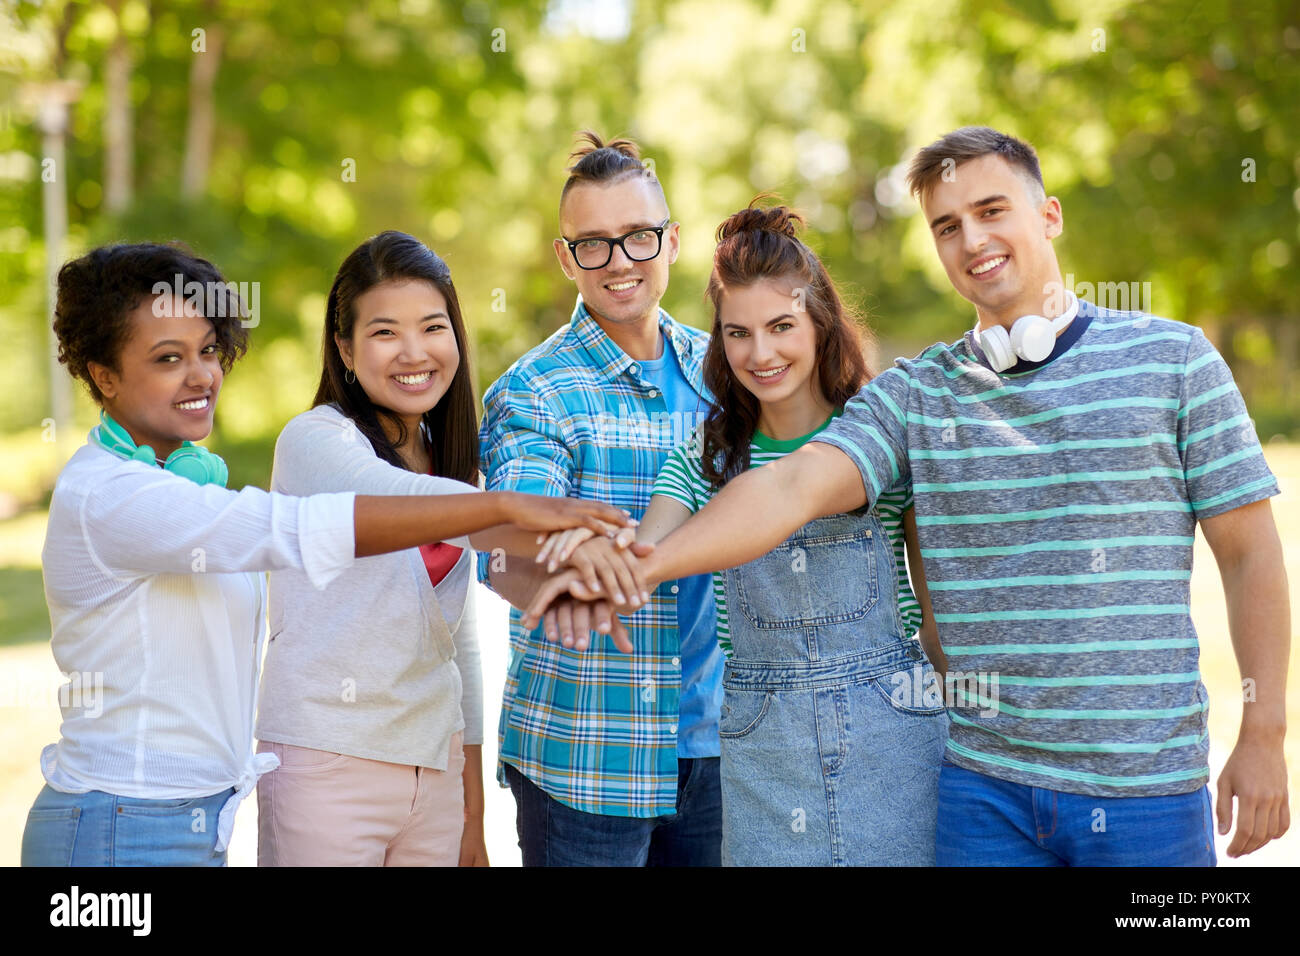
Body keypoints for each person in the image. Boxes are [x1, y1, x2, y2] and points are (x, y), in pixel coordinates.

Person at [526, 127, 1291, 866]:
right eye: (947, 226)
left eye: (993, 212)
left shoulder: (1175, 359)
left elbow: (1252, 553)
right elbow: (789, 484)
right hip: (982, 790)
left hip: (1144, 787)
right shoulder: (917, 396)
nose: (973, 241)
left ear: (1048, 214)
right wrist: (635, 568)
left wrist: (1262, 735)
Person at [20, 241, 634, 867]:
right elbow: (296, 524)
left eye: (208, 351)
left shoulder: (188, 480)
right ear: (103, 375)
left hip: (195, 817)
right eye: (168, 358)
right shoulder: (113, 495)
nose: (202, 374)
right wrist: (506, 507)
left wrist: (564, 580)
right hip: (120, 821)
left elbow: (460, 635)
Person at [540, 201, 948, 865]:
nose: (760, 354)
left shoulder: (879, 433)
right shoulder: (704, 458)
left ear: (819, 323)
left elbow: (936, 623)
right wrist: (599, 578)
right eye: (737, 333)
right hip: (763, 759)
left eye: (781, 325)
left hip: (896, 739)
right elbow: (649, 551)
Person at [478, 131, 726, 866]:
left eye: (638, 238)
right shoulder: (534, 389)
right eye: (594, 244)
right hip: (585, 752)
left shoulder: (724, 371)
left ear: (673, 241)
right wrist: (574, 551)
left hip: (715, 745)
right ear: (566, 257)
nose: (619, 261)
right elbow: (513, 530)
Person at [255, 231, 492, 866]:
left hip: (434, 773)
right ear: (345, 348)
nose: (414, 353)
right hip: (327, 767)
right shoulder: (313, 443)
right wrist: (525, 514)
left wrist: (473, 810)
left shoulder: (458, 470)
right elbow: (383, 498)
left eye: (433, 327)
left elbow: (459, 647)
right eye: (385, 332)